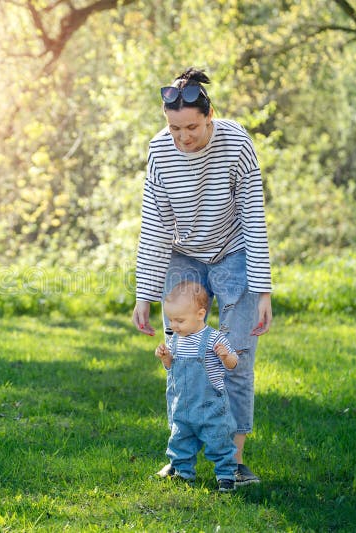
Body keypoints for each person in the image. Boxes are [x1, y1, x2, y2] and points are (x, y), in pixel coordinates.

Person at [132, 67, 272, 486]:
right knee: (182, 357)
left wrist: (262, 290)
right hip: (183, 254)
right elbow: (154, 227)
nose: (183, 137)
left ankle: (235, 461)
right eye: (174, 128)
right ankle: (181, 456)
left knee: (236, 356)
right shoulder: (159, 151)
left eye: (191, 127)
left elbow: (253, 218)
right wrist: (144, 294)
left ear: (210, 116)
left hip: (233, 251)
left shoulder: (236, 143)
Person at [155, 280, 240, 492]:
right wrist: (166, 358)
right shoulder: (176, 339)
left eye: (179, 320)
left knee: (219, 440)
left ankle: (226, 475)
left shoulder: (214, 338)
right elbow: (172, 369)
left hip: (210, 406)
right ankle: (183, 472)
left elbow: (233, 364)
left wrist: (226, 356)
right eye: (171, 320)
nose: (173, 326)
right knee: (180, 440)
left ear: (200, 314)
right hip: (182, 405)